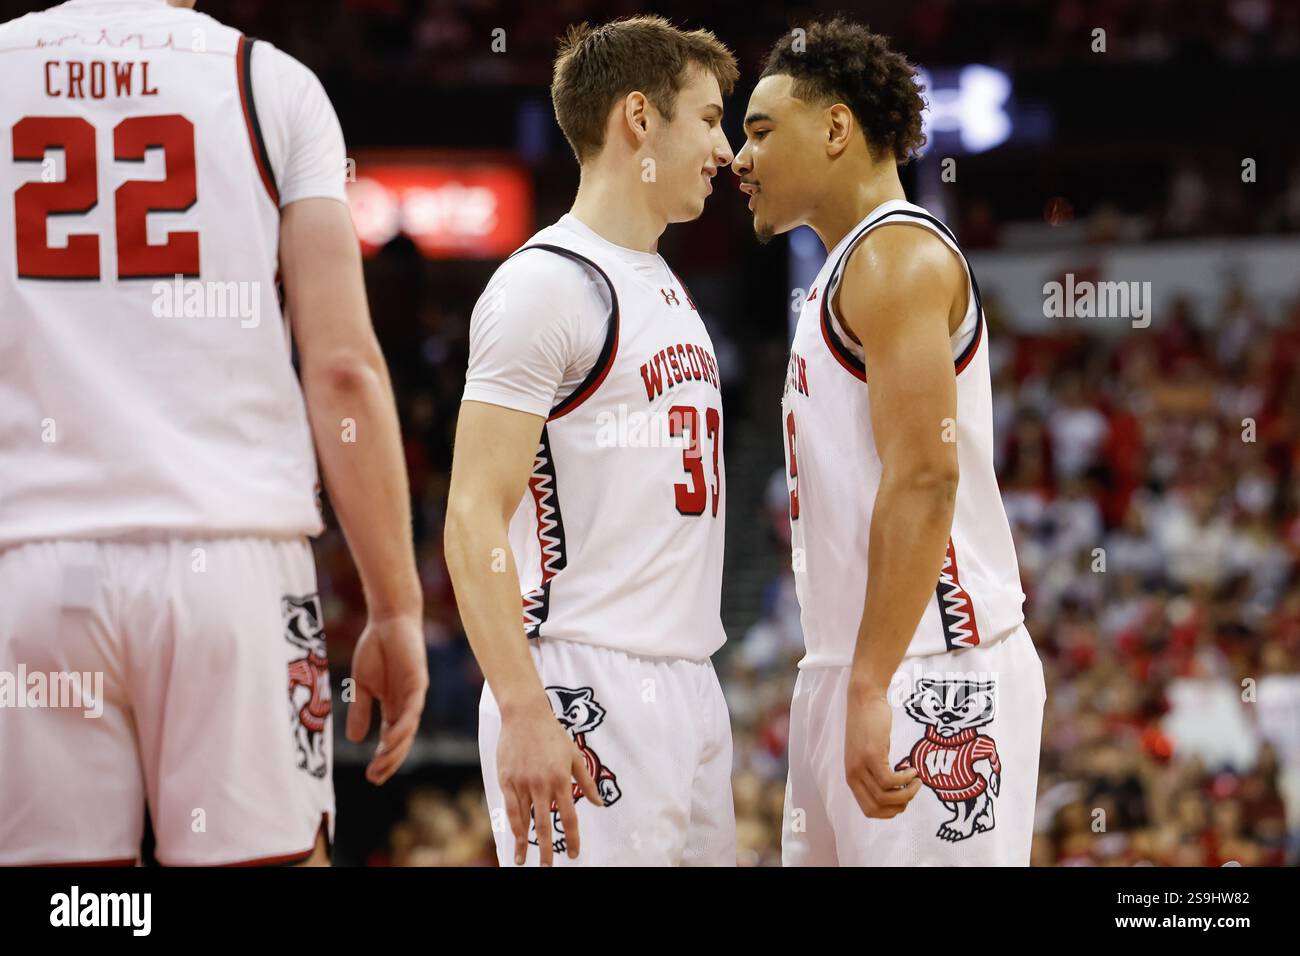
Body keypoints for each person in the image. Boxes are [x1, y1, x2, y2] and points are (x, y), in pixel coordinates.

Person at [0, 0, 427, 866]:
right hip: (231, 564)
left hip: (31, 562)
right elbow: (341, 368)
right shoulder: (269, 82)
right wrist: (395, 603)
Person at [731, 17, 1045, 865]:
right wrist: (853, 678)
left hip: (931, 668)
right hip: (858, 663)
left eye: (760, 131)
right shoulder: (845, 267)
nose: (739, 158)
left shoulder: (895, 255)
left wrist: (871, 683)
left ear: (836, 129)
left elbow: (924, 477)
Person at [445, 15, 737, 866]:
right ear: (640, 119)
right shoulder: (545, 285)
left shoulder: (662, 281)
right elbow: (471, 517)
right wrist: (525, 707)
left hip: (688, 675)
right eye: (711, 118)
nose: (725, 151)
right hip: (585, 679)